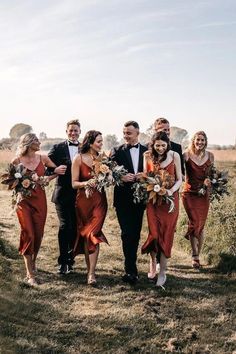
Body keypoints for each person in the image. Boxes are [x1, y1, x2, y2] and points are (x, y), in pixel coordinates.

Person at [12, 133, 64, 285]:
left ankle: (33, 261)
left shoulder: (43, 158)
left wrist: (47, 178)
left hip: (40, 201)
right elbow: (11, 182)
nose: (39, 142)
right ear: (28, 143)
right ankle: (30, 275)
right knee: (28, 233)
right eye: (36, 140)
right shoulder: (17, 161)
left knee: (38, 234)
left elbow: (56, 171)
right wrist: (20, 184)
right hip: (23, 202)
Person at [141, 131, 182, 288]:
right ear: (153, 144)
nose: (160, 148)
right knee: (154, 234)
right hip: (153, 201)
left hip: (170, 201)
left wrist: (171, 191)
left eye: (163, 145)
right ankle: (153, 263)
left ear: (168, 144)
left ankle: (163, 272)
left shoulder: (174, 155)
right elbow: (146, 176)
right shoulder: (147, 156)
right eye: (157, 145)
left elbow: (180, 179)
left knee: (166, 234)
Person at [110, 121, 148, 284]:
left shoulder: (147, 151)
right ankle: (130, 270)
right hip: (122, 199)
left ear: (137, 132)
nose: (126, 136)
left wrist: (144, 175)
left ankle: (132, 267)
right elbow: (108, 173)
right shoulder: (116, 151)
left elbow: (155, 172)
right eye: (124, 133)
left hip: (140, 199)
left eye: (129, 133)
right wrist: (121, 177)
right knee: (126, 233)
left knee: (136, 233)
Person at [72, 130, 108, 285]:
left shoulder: (104, 158)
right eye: (99, 141)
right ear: (90, 142)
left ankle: (91, 273)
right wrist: (86, 183)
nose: (101, 144)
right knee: (87, 237)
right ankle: (90, 272)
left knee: (94, 233)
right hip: (83, 201)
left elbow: (108, 179)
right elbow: (73, 183)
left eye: (102, 141)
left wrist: (109, 178)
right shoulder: (78, 159)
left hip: (99, 200)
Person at [48, 119, 81, 274]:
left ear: (80, 132)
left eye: (76, 130)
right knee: (64, 226)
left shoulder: (85, 148)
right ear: (66, 131)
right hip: (62, 194)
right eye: (71, 130)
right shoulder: (57, 148)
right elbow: (46, 168)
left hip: (80, 195)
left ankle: (70, 259)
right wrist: (54, 170)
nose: (73, 133)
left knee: (74, 227)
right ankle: (63, 262)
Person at [182, 131, 214, 269]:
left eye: (202, 140)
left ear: (205, 141)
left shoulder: (210, 156)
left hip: (203, 195)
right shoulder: (186, 154)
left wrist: (210, 181)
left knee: (200, 226)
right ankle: (195, 256)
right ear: (193, 140)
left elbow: (213, 175)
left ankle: (197, 255)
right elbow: (179, 173)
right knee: (195, 222)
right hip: (189, 193)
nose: (200, 142)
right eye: (198, 140)